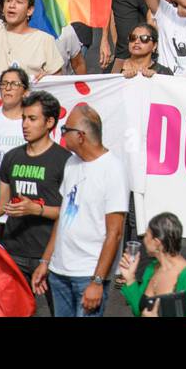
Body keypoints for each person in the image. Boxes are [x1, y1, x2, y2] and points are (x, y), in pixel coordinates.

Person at [32, 104, 129, 317]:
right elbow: (63, 216)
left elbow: (115, 233)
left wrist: (97, 280)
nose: (62, 133)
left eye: (66, 129)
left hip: (87, 275)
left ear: (81, 136)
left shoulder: (113, 170)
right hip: (59, 274)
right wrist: (45, 261)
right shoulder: (71, 164)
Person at [0, 90, 71, 315]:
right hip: (13, 250)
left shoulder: (65, 161)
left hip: (50, 254)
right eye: (23, 118)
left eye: (32, 119)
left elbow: (69, 212)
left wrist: (35, 209)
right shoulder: (11, 157)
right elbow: (1, 206)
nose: (25, 125)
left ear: (50, 122)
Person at [118, 212, 186, 318]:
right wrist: (130, 278)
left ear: (157, 242)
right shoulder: (152, 269)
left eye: (146, 235)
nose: (143, 239)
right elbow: (139, 310)